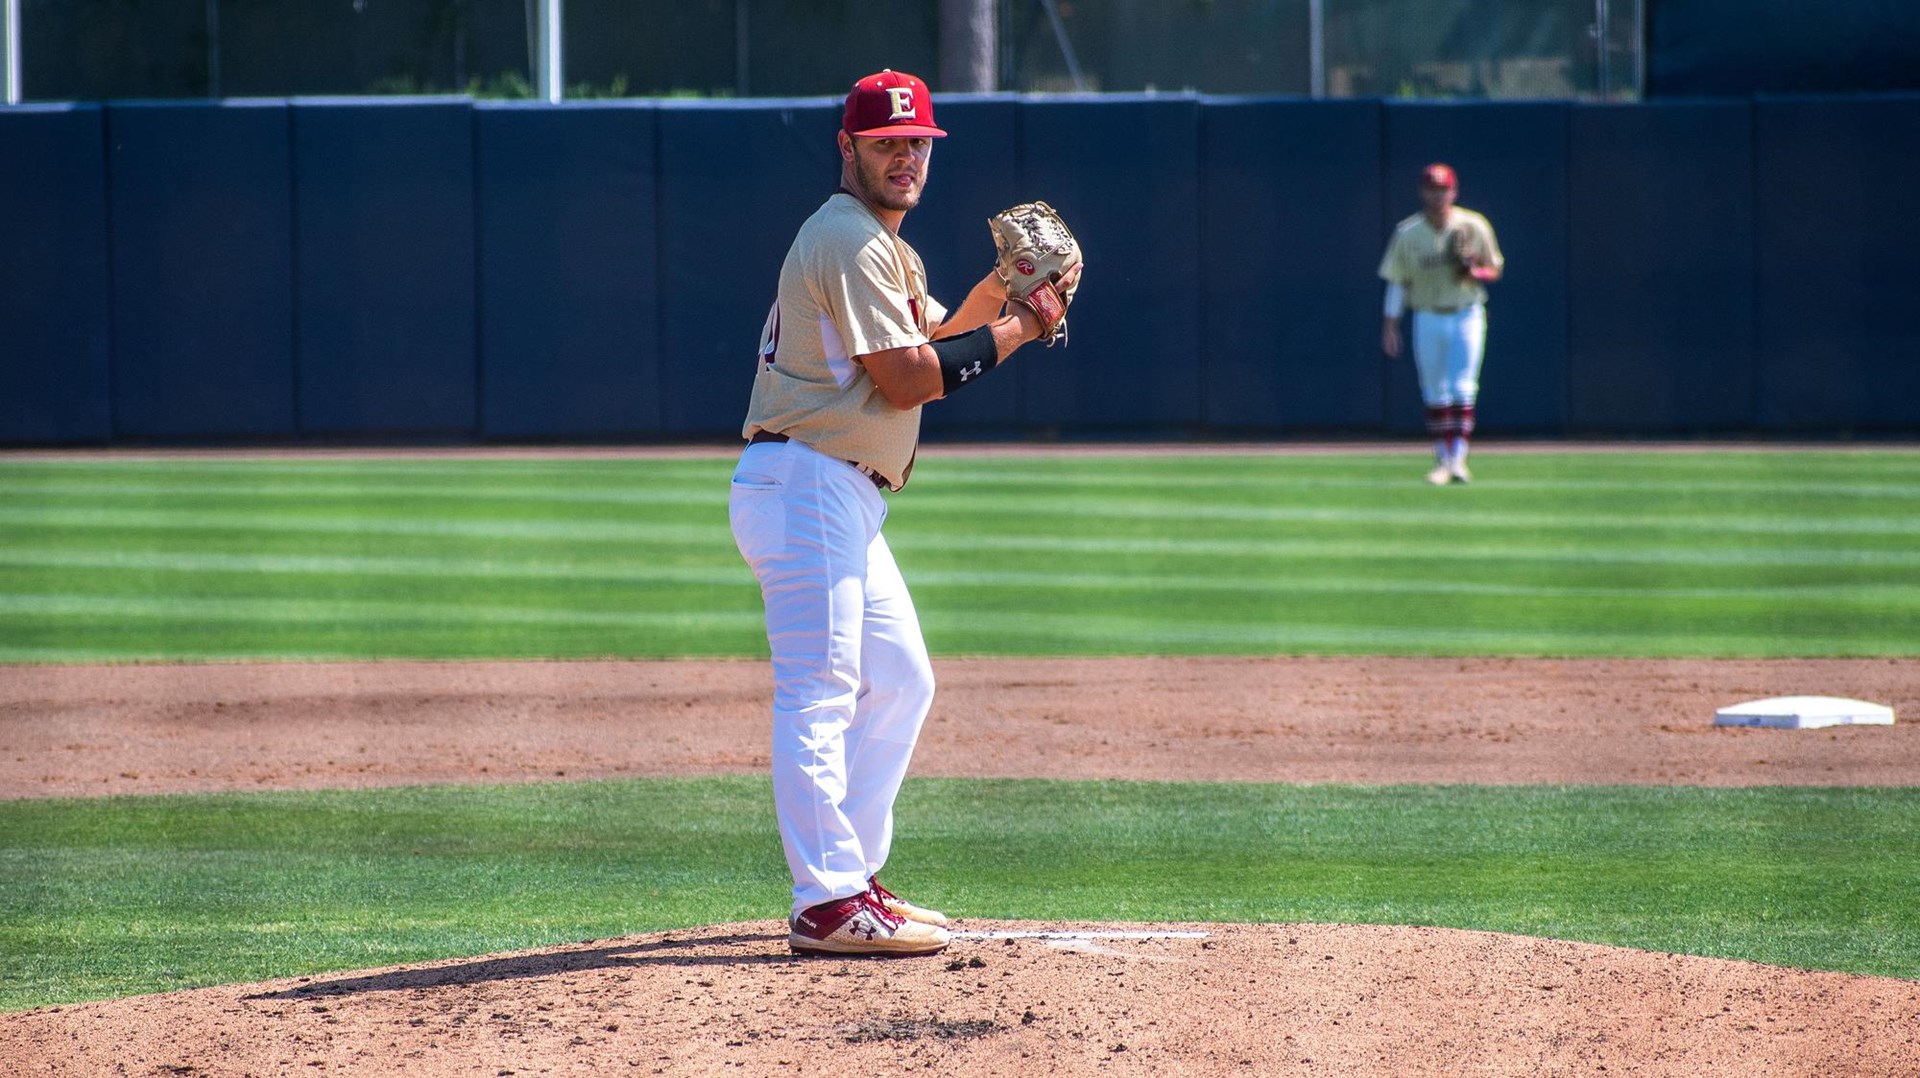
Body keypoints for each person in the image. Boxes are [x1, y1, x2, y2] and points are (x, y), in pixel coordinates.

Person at [728, 69, 1079, 956]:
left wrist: (1006, 289)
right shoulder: (847, 238)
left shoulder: (885, 248)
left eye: (916, 142)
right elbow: (912, 377)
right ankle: (826, 899)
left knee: (904, 681)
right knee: (819, 691)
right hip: (806, 482)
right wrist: (1027, 329)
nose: (905, 157)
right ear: (848, 148)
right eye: (886, 143)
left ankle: (854, 876)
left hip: (832, 491)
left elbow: (938, 334)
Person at [1378, 162, 1505, 485]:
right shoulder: (1408, 233)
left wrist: (1474, 272)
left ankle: (1458, 458)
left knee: (1464, 386)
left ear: (1454, 191)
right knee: (1434, 390)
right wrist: (1391, 324)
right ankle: (1442, 457)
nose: (1438, 195)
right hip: (1427, 314)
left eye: (1443, 189)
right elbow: (1398, 282)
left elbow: (1495, 269)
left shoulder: (1472, 225)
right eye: (1432, 189)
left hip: (1466, 313)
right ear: (1423, 192)